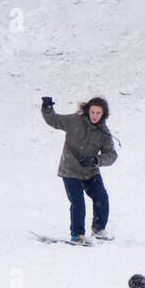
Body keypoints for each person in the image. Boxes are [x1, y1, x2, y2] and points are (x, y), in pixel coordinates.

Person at [41, 95, 117, 243]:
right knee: (78, 202)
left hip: (90, 172)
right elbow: (54, 120)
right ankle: (77, 234)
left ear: (103, 114)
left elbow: (112, 155)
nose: (94, 116)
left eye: (98, 113)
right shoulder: (74, 121)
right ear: (87, 110)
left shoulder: (104, 133)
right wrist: (47, 108)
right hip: (70, 170)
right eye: (92, 112)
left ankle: (99, 229)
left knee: (101, 197)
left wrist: (96, 160)